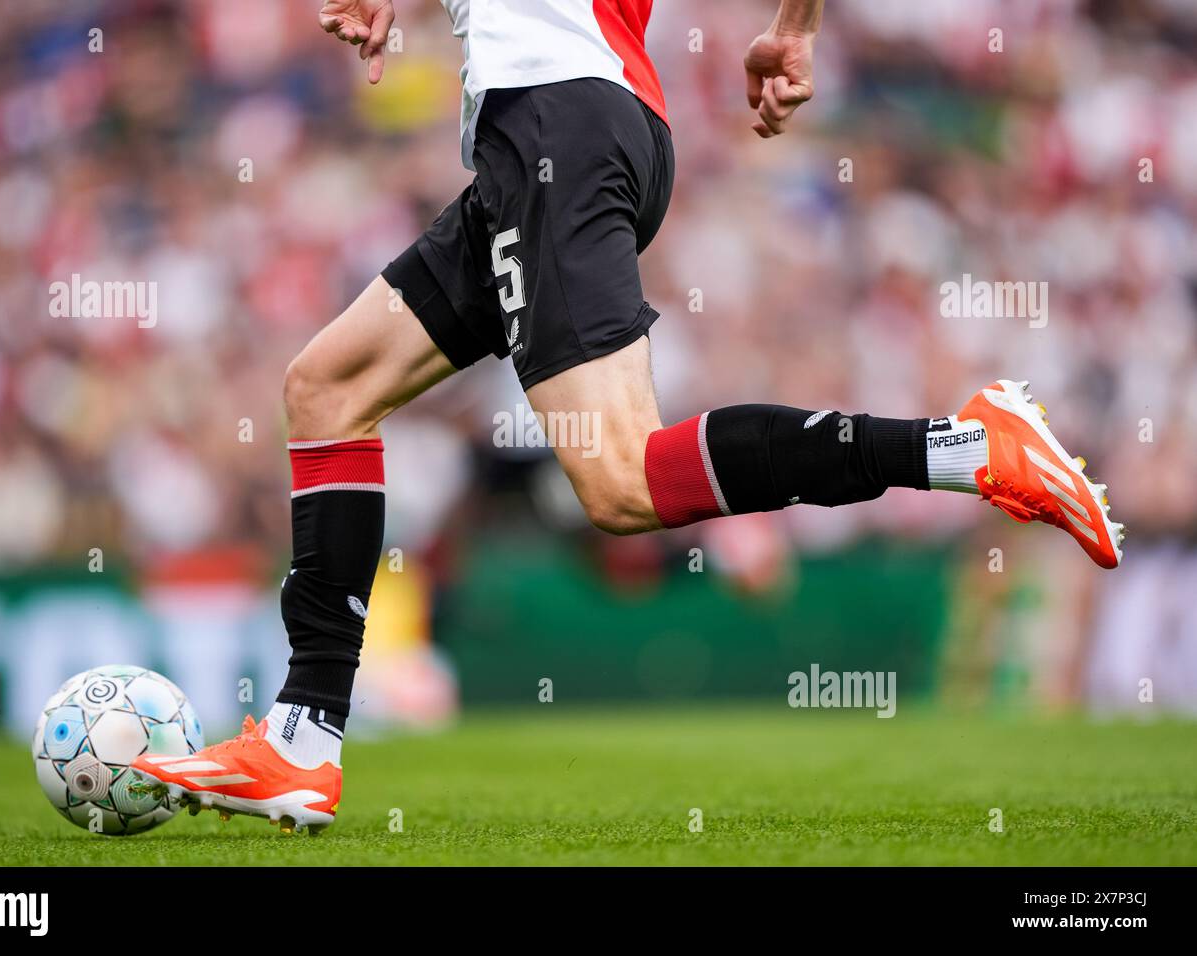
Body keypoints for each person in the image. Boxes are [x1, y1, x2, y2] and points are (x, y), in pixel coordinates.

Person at [132, 0, 1124, 834]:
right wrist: (795, 29)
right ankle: (302, 739)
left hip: (557, 120)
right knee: (327, 386)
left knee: (618, 482)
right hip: (562, 131)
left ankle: (965, 446)